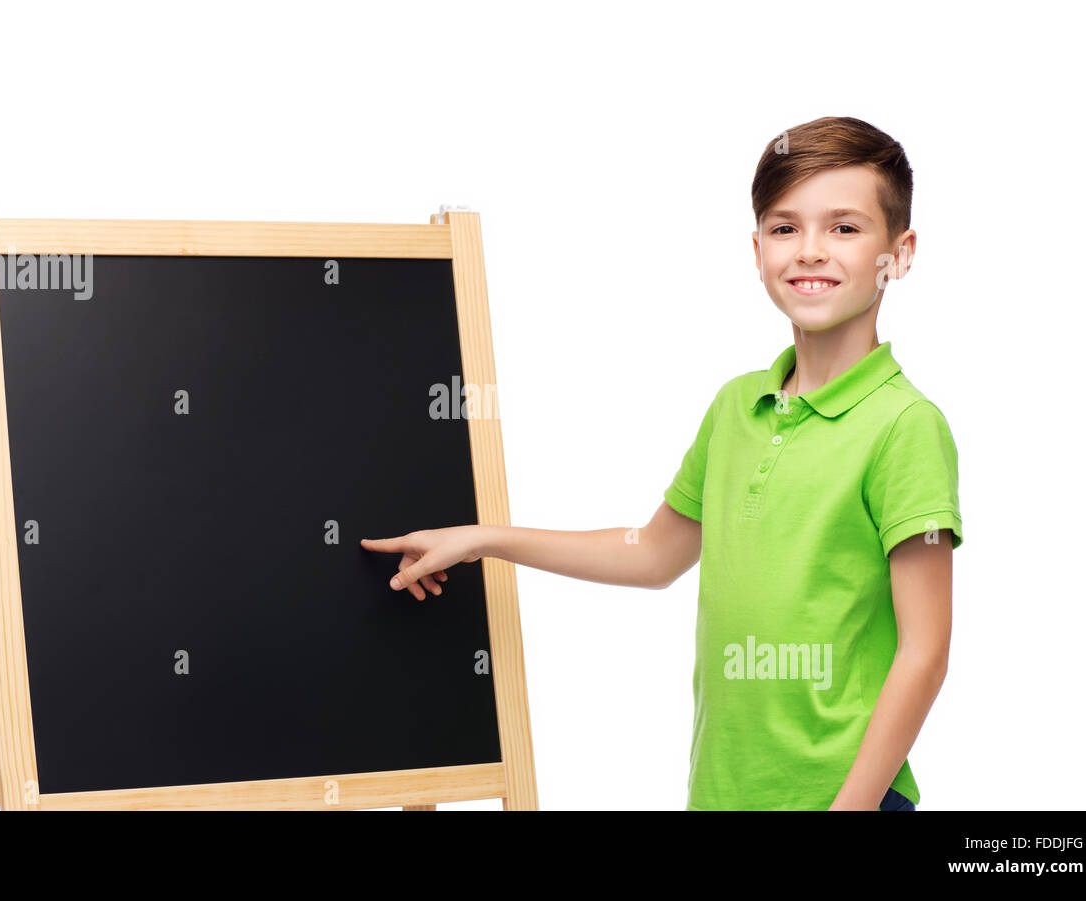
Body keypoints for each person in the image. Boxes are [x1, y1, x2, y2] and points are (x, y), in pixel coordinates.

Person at [361, 116, 961, 811]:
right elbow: (651, 554)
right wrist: (485, 538)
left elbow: (925, 652)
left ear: (901, 251)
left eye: (846, 228)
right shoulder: (738, 407)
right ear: (758, 246)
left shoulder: (905, 426)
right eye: (785, 227)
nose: (811, 251)